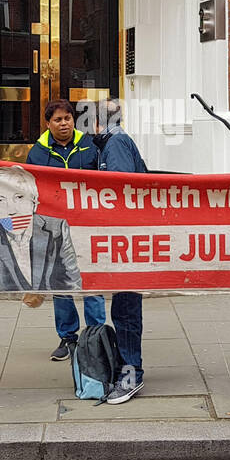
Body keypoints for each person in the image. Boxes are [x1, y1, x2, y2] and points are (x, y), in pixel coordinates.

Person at [27, 98, 105, 361]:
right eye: (58, 120)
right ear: (48, 124)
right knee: (61, 284)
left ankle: (95, 335)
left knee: (91, 281)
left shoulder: (90, 146)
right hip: (54, 228)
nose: (64, 123)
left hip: (86, 224)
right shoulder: (37, 153)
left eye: (68, 118)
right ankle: (68, 338)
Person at [92, 99, 149, 404]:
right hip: (123, 239)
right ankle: (129, 367)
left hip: (126, 240)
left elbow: (119, 190)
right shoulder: (111, 143)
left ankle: (131, 373)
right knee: (123, 307)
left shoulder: (115, 145)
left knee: (125, 308)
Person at [0, 165, 82, 292]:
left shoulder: (56, 229)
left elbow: (72, 282)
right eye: (0, 200)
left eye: (19, 197)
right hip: (6, 308)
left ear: (34, 200)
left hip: (49, 307)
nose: (11, 210)